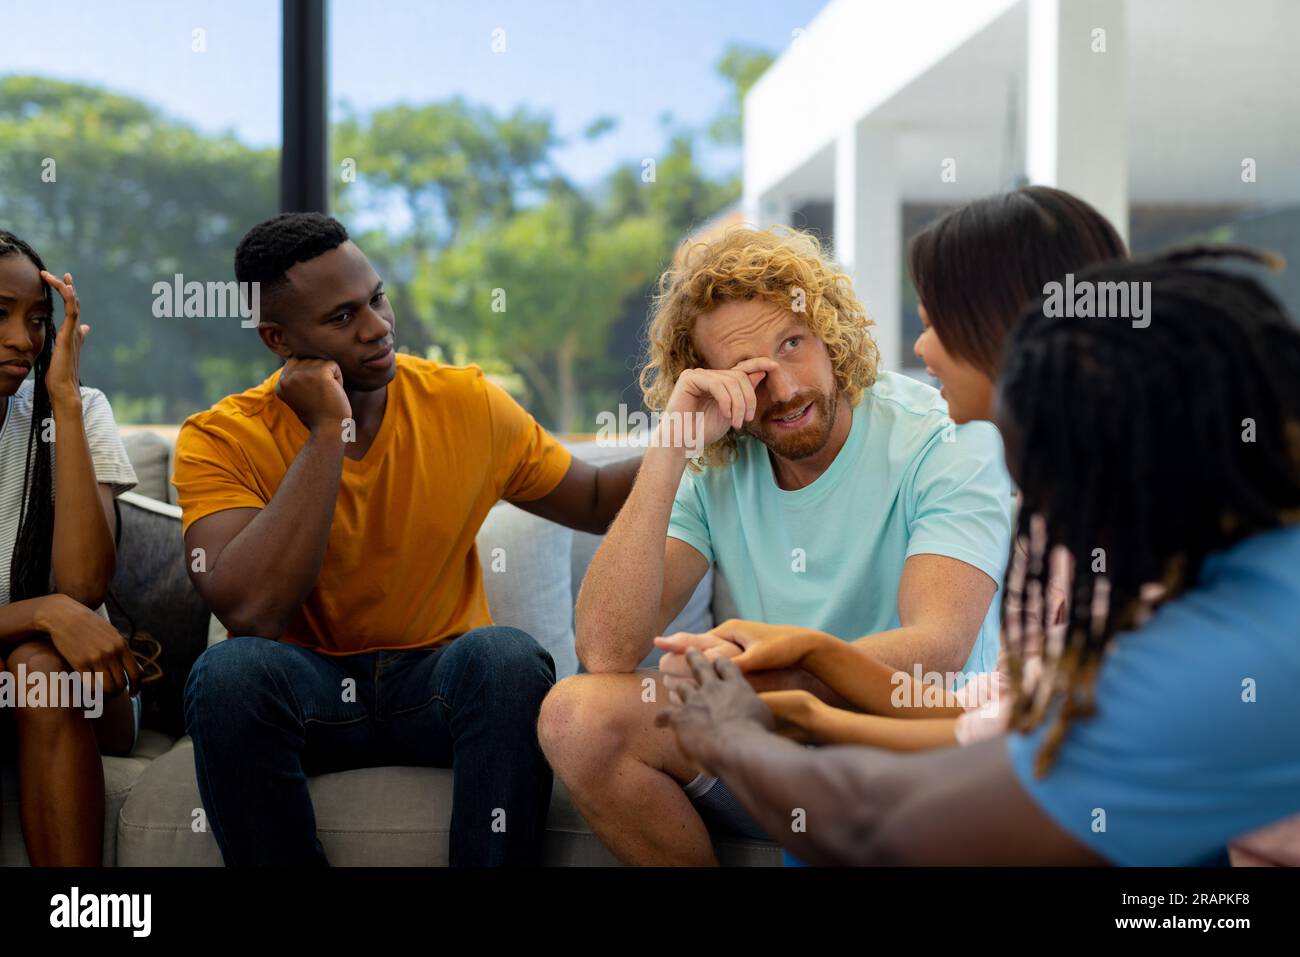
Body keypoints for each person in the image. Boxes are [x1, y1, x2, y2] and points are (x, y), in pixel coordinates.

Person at [656, 248, 1300, 866]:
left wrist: (729, 736)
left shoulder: (1223, 655)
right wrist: (811, 662)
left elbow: (876, 826)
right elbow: (1015, 709)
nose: (1035, 499)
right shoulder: (1237, 567)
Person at [174, 212, 639, 866]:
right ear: (279, 338)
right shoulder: (220, 437)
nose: (377, 326)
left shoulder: (466, 402)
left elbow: (591, 499)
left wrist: (693, 441)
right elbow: (251, 611)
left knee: (508, 657)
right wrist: (325, 432)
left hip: (437, 686)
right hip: (310, 689)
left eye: (377, 297)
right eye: (341, 318)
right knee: (225, 673)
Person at [538, 226, 1013, 864]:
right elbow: (604, 649)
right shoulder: (717, 457)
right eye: (747, 372)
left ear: (831, 334)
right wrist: (672, 446)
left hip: (910, 743)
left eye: (792, 344)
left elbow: (935, 652)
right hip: (768, 737)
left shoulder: (943, 437)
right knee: (576, 717)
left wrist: (752, 677)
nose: (783, 389)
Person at [670, 186, 1128, 752]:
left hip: (1107, 821)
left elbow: (1019, 741)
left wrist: (796, 695)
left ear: (1011, 331)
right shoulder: (1055, 508)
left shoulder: (1125, 522)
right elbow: (999, 712)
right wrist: (804, 681)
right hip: (1022, 782)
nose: (922, 348)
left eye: (936, 325)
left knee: (838, 808)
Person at [0, 231, 141, 866]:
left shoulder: (79, 407)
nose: (23, 341)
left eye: (37, 319)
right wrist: (41, 610)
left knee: (39, 667)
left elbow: (81, 587)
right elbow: (59, 606)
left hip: (78, 682)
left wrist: (62, 400)